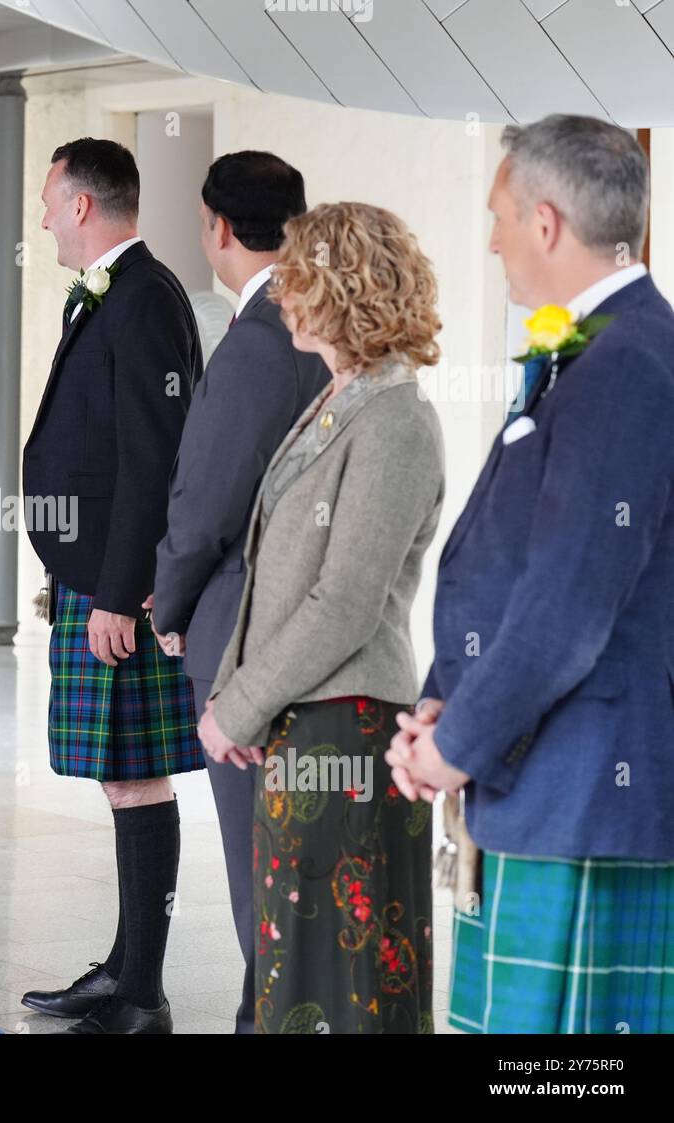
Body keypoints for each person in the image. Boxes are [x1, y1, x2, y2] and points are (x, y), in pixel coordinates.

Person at [386, 114, 674, 1034]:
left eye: (501, 215)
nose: (493, 237)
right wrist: (441, 702)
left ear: (546, 223)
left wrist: (457, 741)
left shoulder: (627, 360)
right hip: (548, 783)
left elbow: (571, 600)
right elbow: (508, 564)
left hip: (588, 789)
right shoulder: (596, 347)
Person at [201, 202, 445, 1034]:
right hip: (305, 726)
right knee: (297, 970)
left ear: (341, 290)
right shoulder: (343, 400)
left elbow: (343, 601)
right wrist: (238, 697)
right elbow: (273, 568)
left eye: (299, 278)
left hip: (349, 732)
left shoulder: (397, 420)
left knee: (344, 982)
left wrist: (238, 704)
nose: (282, 296)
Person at [18, 138, 202, 1034]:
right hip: (92, 577)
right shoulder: (119, 295)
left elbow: (154, 459)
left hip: (113, 586)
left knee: (136, 778)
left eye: (50, 201)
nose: (44, 217)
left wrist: (120, 593)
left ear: (84, 206)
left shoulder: (144, 300)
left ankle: (143, 994)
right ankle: (126, 965)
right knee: (122, 777)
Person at [150, 151, 328, 1034]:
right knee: (291, 865)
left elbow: (208, 497)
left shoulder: (261, 338)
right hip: (307, 639)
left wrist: (169, 603)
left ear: (218, 227)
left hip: (246, 639)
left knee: (261, 868)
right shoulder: (317, 323)